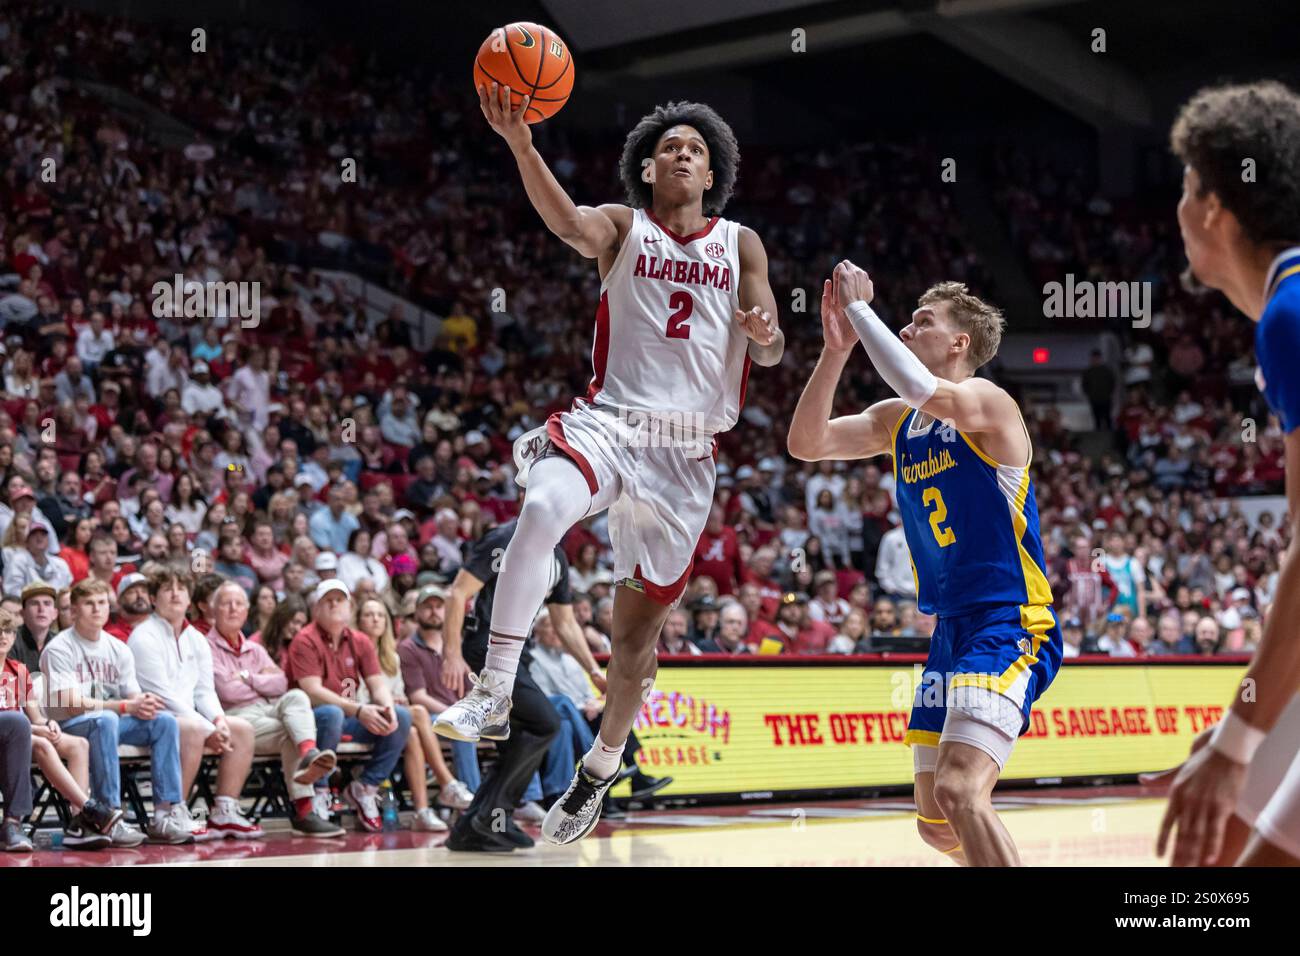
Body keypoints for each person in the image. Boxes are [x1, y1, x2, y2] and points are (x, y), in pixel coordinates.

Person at [435, 90, 784, 847]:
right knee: (539, 506)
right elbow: (567, 223)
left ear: (713, 168)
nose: (682, 152)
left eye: (696, 146)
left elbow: (771, 348)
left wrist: (763, 333)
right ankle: (494, 685)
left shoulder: (742, 244)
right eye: (669, 147)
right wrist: (523, 145)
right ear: (649, 166)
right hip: (610, 422)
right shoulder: (623, 228)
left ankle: (599, 768)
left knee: (634, 646)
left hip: (686, 455)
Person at [788, 264, 1064, 866]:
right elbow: (807, 444)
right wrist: (836, 352)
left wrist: (862, 314)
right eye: (907, 320)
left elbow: (925, 390)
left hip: (1010, 620)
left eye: (922, 321)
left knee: (962, 788)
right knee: (938, 824)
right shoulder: (899, 421)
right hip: (951, 631)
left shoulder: (987, 401)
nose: (908, 329)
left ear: (959, 343)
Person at [1147, 82, 1300, 868]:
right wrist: (1253, 718)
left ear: (1213, 208)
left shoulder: (1293, 313)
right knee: (1202, 865)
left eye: (1184, 187)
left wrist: (1244, 738)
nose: (1177, 209)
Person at [436, 517, 607, 852]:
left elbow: (564, 620)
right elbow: (457, 593)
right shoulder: (504, 537)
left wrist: (593, 669)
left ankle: (480, 823)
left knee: (516, 739)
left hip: (521, 656)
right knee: (545, 723)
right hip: (485, 648)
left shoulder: (558, 557)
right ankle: (488, 818)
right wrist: (451, 654)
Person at [40, 578, 183, 845]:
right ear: (74, 610)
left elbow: (131, 696)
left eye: (102, 603)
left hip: (108, 725)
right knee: (105, 719)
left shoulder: (119, 648)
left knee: (164, 721)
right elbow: (70, 703)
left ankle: (165, 815)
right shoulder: (59, 648)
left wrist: (144, 702)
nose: (97, 609)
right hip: (68, 728)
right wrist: (124, 707)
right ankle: (109, 816)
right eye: (89, 604)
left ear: (109, 607)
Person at [128, 568, 263, 840]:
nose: (176, 593)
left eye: (181, 588)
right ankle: (170, 812)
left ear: (190, 599)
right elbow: (162, 696)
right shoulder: (143, 636)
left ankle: (225, 809)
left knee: (242, 728)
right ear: (154, 599)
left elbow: (204, 691)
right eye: (168, 589)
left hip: (188, 717)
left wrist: (219, 722)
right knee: (190, 728)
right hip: (153, 718)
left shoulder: (197, 639)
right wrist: (207, 728)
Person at [207, 581, 343, 838]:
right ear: (214, 610)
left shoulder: (254, 649)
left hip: (267, 710)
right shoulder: (205, 647)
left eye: (239, 604)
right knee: (292, 730)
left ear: (247, 611)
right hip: (234, 718)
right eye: (226, 603)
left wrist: (246, 678)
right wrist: (260, 681)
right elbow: (226, 691)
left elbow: (281, 683)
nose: (233, 609)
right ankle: (304, 811)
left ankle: (308, 753)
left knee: (296, 696)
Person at [285, 579, 412, 833]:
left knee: (400, 717)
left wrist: (385, 707)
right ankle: (320, 791)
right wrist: (358, 710)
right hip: (310, 720)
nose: (334, 604)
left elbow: (377, 685)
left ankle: (365, 787)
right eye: (327, 600)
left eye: (339, 599)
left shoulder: (360, 641)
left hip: (350, 717)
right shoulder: (304, 639)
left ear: (349, 607)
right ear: (316, 609)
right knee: (331, 713)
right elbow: (312, 691)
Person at [1, 607, 121, 848]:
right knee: (25, 728)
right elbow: (21, 723)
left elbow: (35, 716)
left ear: (14, 636)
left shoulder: (19, 670)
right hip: (13, 732)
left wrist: (48, 724)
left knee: (77, 744)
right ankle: (14, 822)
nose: (3, 636)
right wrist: (35, 730)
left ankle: (81, 822)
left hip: (22, 735)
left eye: (8, 631)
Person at [356, 593, 463, 832]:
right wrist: (386, 701)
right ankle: (447, 783)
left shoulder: (391, 657)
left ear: (387, 622)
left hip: (394, 721)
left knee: (413, 733)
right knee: (418, 713)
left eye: (380, 615)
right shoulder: (351, 651)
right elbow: (354, 696)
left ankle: (422, 812)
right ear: (359, 620)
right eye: (369, 615)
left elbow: (400, 693)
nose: (375, 619)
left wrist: (396, 700)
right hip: (364, 718)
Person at [397, 587, 479, 810]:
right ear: (417, 612)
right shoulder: (408, 648)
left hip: (457, 713)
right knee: (461, 727)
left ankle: (524, 799)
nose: (434, 612)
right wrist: (456, 712)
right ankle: (474, 803)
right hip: (429, 718)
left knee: (513, 725)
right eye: (428, 607)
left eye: (439, 606)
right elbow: (418, 696)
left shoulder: (455, 645)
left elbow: (472, 688)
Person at [3, 522, 72, 594]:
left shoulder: (60, 563)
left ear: (48, 540)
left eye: (43, 535)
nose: (39, 538)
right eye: (34, 535)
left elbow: (67, 590)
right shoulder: (17, 561)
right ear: (26, 541)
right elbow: (12, 591)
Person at [10, 581, 59, 675]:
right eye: (34, 603)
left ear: (55, 613)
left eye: (47, 603)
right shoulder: (10, 641)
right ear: (22, 613)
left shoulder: (61, 642)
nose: (41, 609)